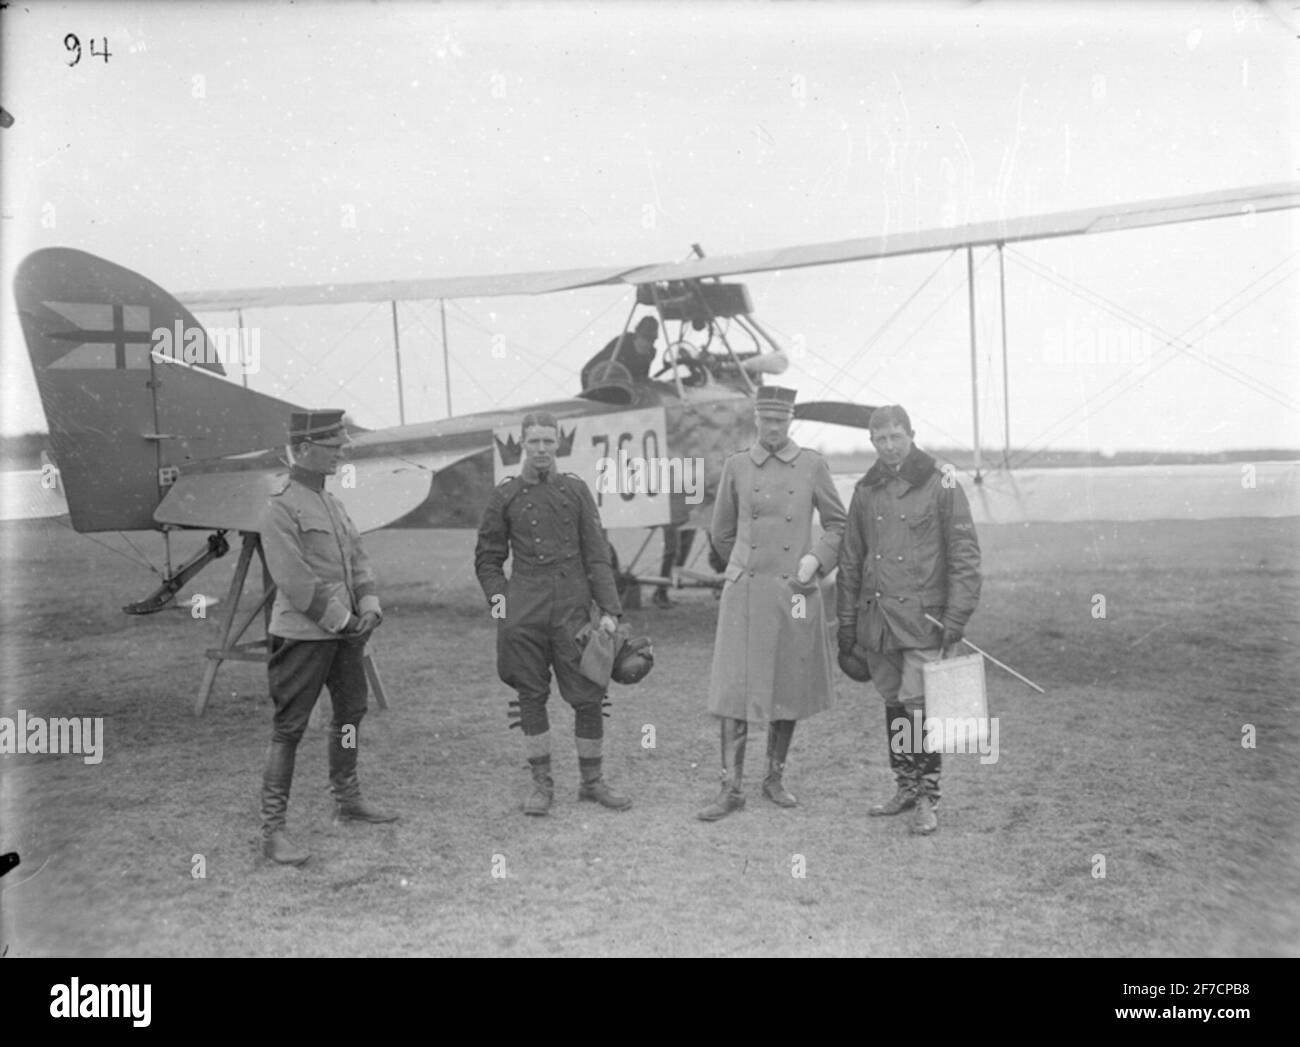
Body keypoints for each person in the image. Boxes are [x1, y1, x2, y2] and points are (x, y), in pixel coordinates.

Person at [697, 385, 846, 820]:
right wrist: (744, 566)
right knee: (733, 689)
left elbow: (838, 524)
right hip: (745, 592)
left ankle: (774, 777)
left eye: (781, 421)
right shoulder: (737, 466)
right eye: (767, 421)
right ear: (756, 420)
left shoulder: (813, 465)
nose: (774, 429)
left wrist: (816, 560)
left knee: (787, 684)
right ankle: (731, 788)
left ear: (791, 421)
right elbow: (721, 532)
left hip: (793, 592)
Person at [258, 409, 397, 866]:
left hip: (346, 634)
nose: (341, 452)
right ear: (303, 449)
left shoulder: (333, 504)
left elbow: (357, 559)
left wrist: (370, 604)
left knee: (350, 716)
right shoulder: (281, 506)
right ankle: (273, 831)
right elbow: (295, 581)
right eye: (332, 446)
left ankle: (348, 798)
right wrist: (343, 619)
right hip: (304, 636)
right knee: (289, 730)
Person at [474, 411, 631, 816]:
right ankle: (541, 785)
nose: (541, 449)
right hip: (524, 609)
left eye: (548, 441)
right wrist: (501, 606)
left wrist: (610, 609)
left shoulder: (576, 491)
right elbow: (488, 559)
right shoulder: (505, 494)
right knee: (531, 695)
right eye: (534, 442)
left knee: (589, 693)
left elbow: (597, 556)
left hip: (572, 609)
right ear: (522, 443)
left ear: (558, 443)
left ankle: (592, 783)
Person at [835, 405, 981, 836]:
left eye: (896, 436)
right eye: (880, 439)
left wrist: (957, 614)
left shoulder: (942, 480)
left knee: (921, 710)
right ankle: (904, 786)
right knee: (895, 707)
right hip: (878, 620)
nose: (889, 446)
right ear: (872, 442)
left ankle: (927, 798)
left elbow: (964, 554)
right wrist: (846, 622)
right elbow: (850, 559)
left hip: (924, 620)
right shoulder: (866, 489)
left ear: (912, 434)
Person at [581, 315, 659, 389]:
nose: (646, 344)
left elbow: (643, 380)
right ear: (636, 335)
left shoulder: (650, 353)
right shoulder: (621, 344)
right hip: (606, 387)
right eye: (643, 337)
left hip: (629, 393)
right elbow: (586, 371)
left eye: (651, 340)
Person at [652, 524, 695, 608]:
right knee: (672, 550)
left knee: (684, 549)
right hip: (672, 517)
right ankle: (661, 592)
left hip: (689, 514)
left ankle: (661, 591)